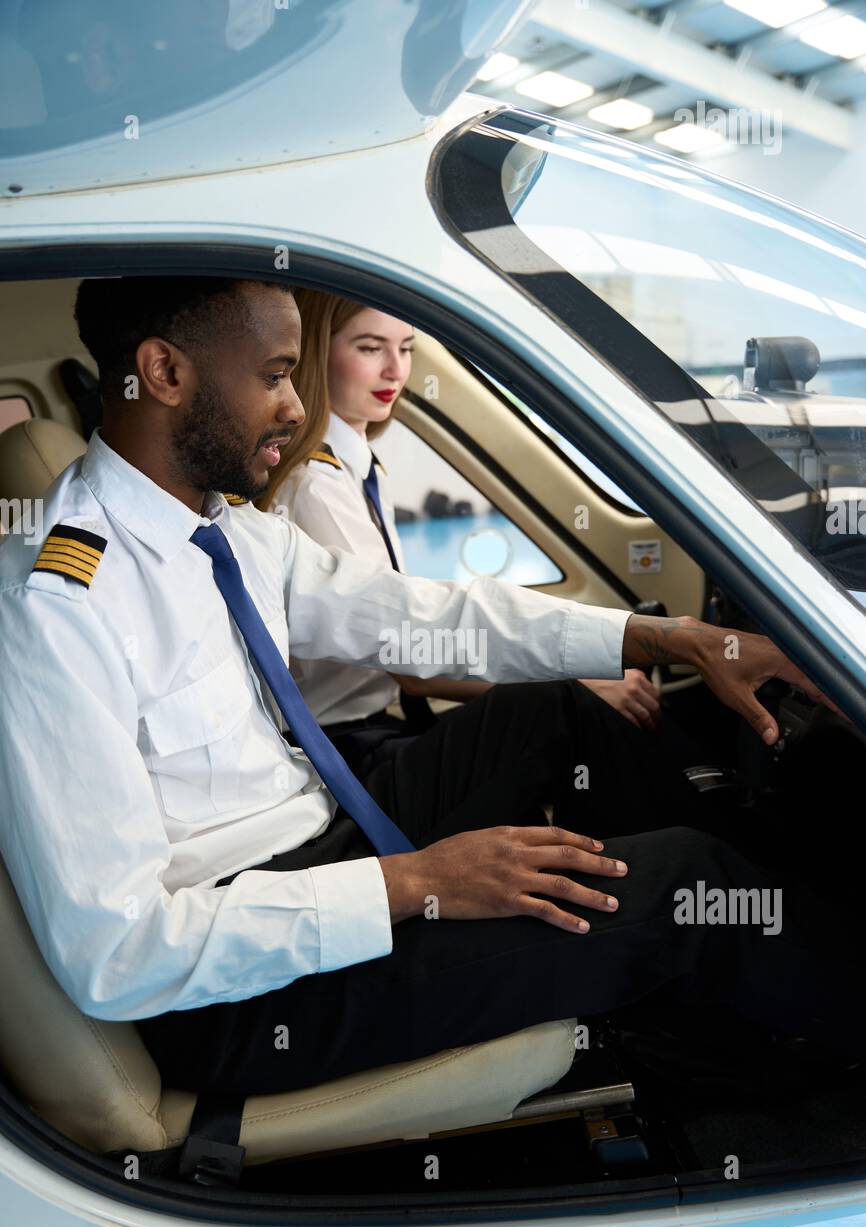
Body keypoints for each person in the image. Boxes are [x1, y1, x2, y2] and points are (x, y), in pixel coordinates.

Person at [0, 275, 858, 1107]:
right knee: (683, 883)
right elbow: (119, 952)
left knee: (554, 708)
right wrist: (414, 883)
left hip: (324, 844)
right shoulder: (57, 607)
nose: (297, 409)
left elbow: (428, 616)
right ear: (165, 372)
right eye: (272, 378)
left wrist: (669, 638)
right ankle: (751, 960)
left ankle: (742, 955)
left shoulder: (223, 531)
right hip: (239, 986)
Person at [262, 289, 662, 773]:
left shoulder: (357, 470)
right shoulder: (316, 485)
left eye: (406, 347)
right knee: (562, 712)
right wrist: (578, 681)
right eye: (370, 348)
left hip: (379, 726)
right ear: (317, 354)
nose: (396, 369)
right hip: (346, 748)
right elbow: (412, 660)